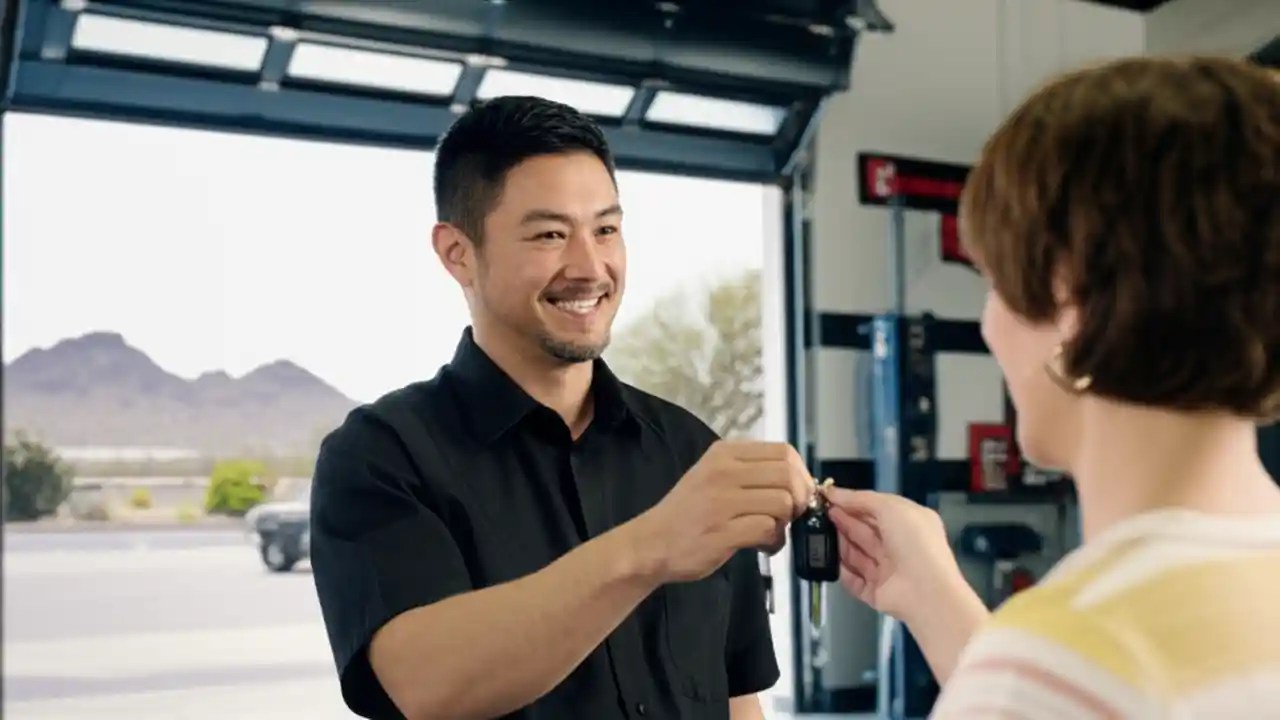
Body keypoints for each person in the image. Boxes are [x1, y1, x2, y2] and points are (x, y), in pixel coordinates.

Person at [308, 95, 814, 720]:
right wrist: (650, 546)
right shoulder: (381, 457)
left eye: (605, 229)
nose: (590, 267)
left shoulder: (691, 452)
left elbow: (738, 697)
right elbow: (427, 686)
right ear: (457, 253)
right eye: (549, 234)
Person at [823, 55, 1280, 718]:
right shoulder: (1072, 661)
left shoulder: (1064, 661)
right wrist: (936, 600)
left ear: (1070, 302)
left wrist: (1020, 659)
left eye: (998, 284)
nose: (988, 326)